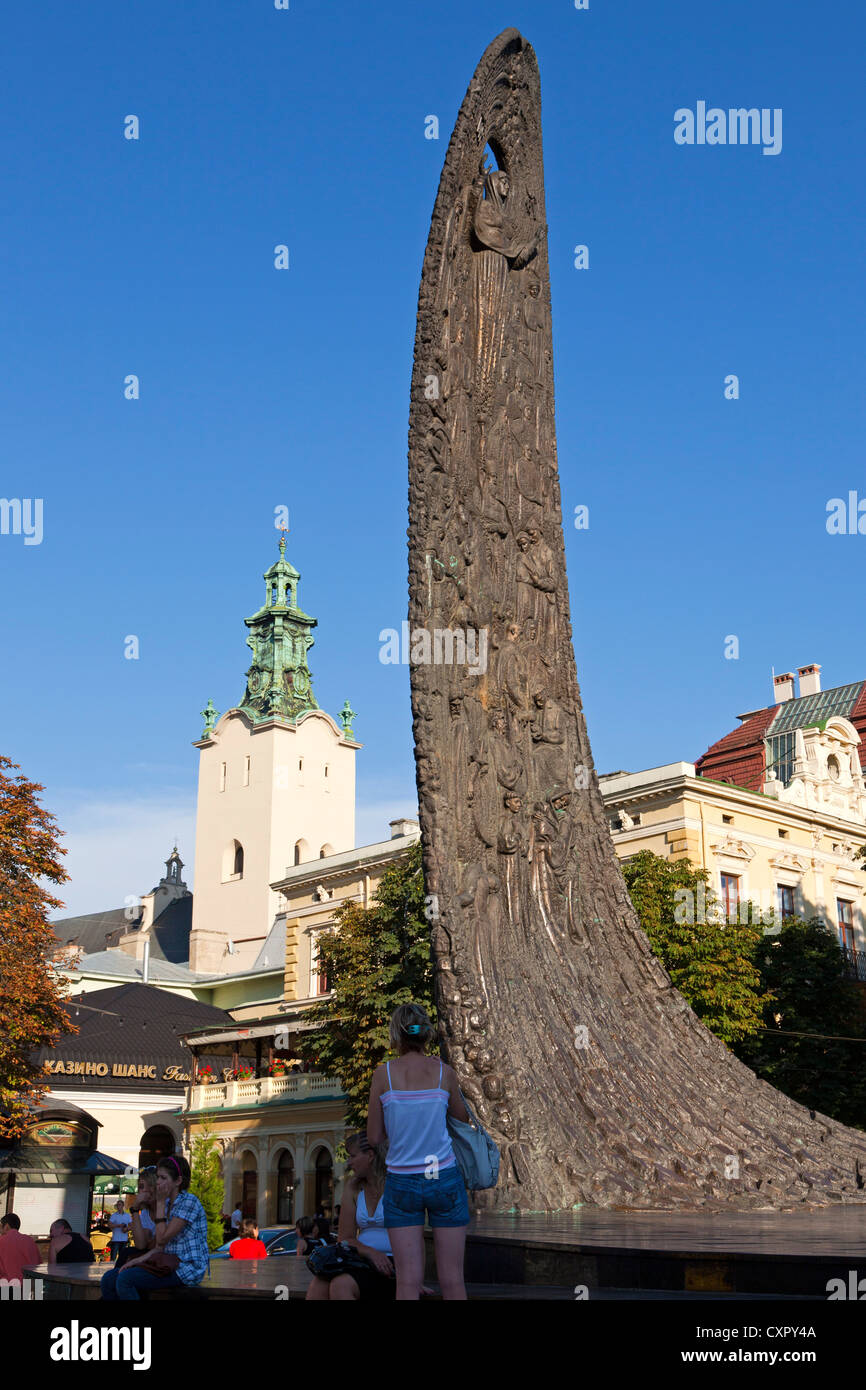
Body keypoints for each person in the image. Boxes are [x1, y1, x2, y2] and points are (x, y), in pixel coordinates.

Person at [367, 1002, 470, 1300]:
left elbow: (374, 1136)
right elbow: (461, 1119)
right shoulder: (444, 1073)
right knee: (453, 1281)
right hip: (443, 1176)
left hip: (401, 1180)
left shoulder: (383, 1075)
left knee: (408, 1282)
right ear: (425, 1034)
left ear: (396, 1036)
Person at [101, 1154, 209, 1300]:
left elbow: (163, 1238)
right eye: (158, 1177)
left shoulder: (188, 1202)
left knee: (126, 1280)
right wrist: (136, 1261)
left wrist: (160, 1202)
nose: (158, 1182)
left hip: (187, 1268)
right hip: (166, 1264)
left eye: (163, 1178)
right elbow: (158, 1247)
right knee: (109, 1278)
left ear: (178, 1181)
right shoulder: (168, 1203)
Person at [306, 1131, 396, 1302]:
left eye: (353, 1156)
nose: (349, 1162)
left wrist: (415, 1277)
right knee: (319, 1283)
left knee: (341, 1285)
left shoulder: (396, 1183)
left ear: (370, 1155)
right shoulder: (353, 1187)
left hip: (393, 1262)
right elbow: (345, 1239)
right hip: (361, 1258)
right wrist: (370, 1253)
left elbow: (415, 1235)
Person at [0, 1213, 40, 1287]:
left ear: (6, 1227)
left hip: (7, 1286)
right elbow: (38, 1264)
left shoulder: (1, 1241)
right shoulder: (30, 1240)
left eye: (0, 1227)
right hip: (31, 1286)